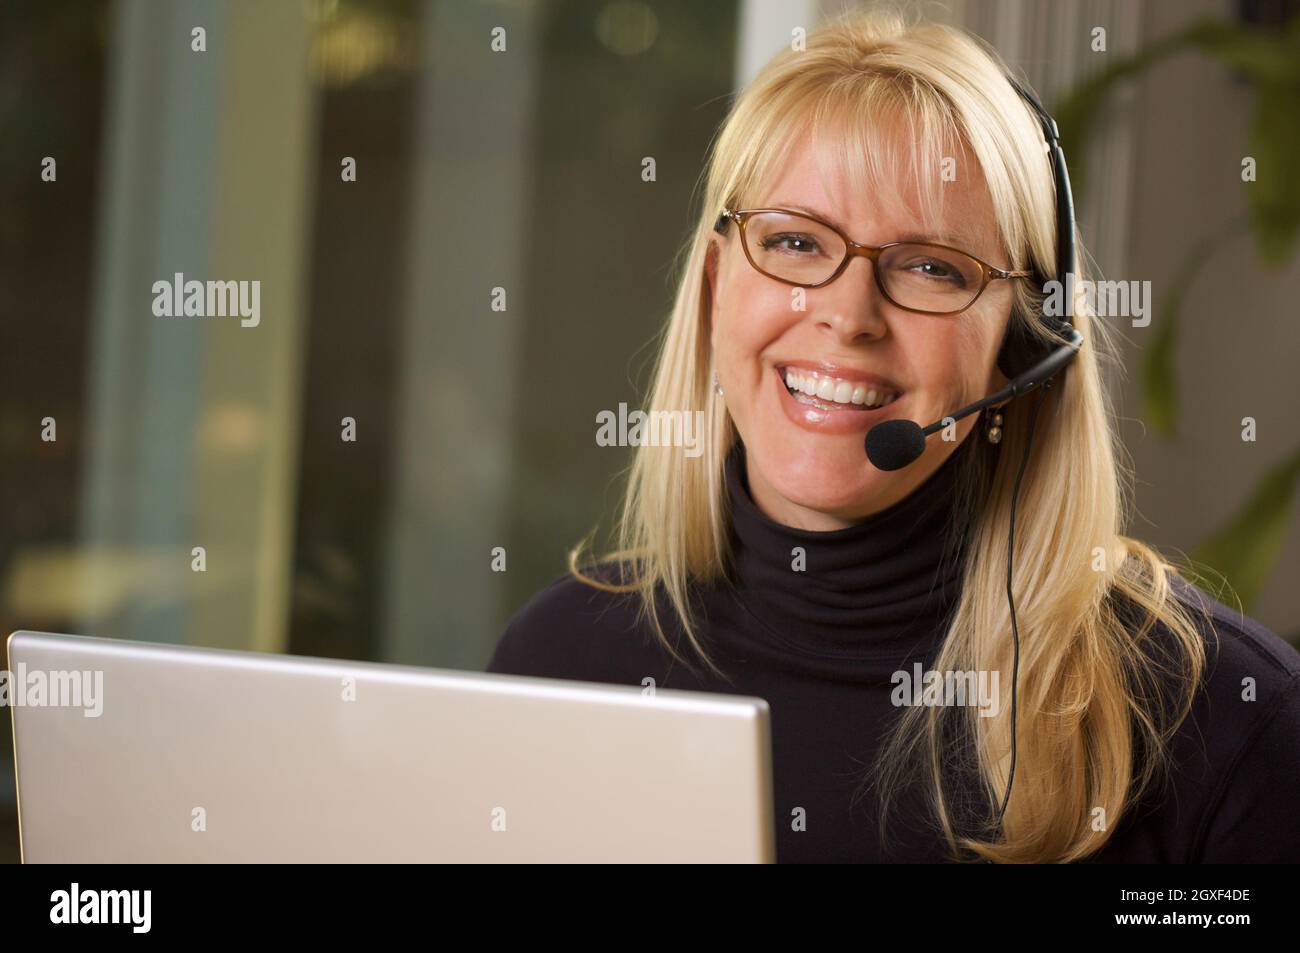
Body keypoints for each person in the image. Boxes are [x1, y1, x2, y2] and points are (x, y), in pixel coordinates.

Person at [487, 7, 1300, 863]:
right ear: (718, 283)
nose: (846, 316)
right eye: (796, 241)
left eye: (928, 266)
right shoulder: (561, 660)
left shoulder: (1225, 721)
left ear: (1024, 349)